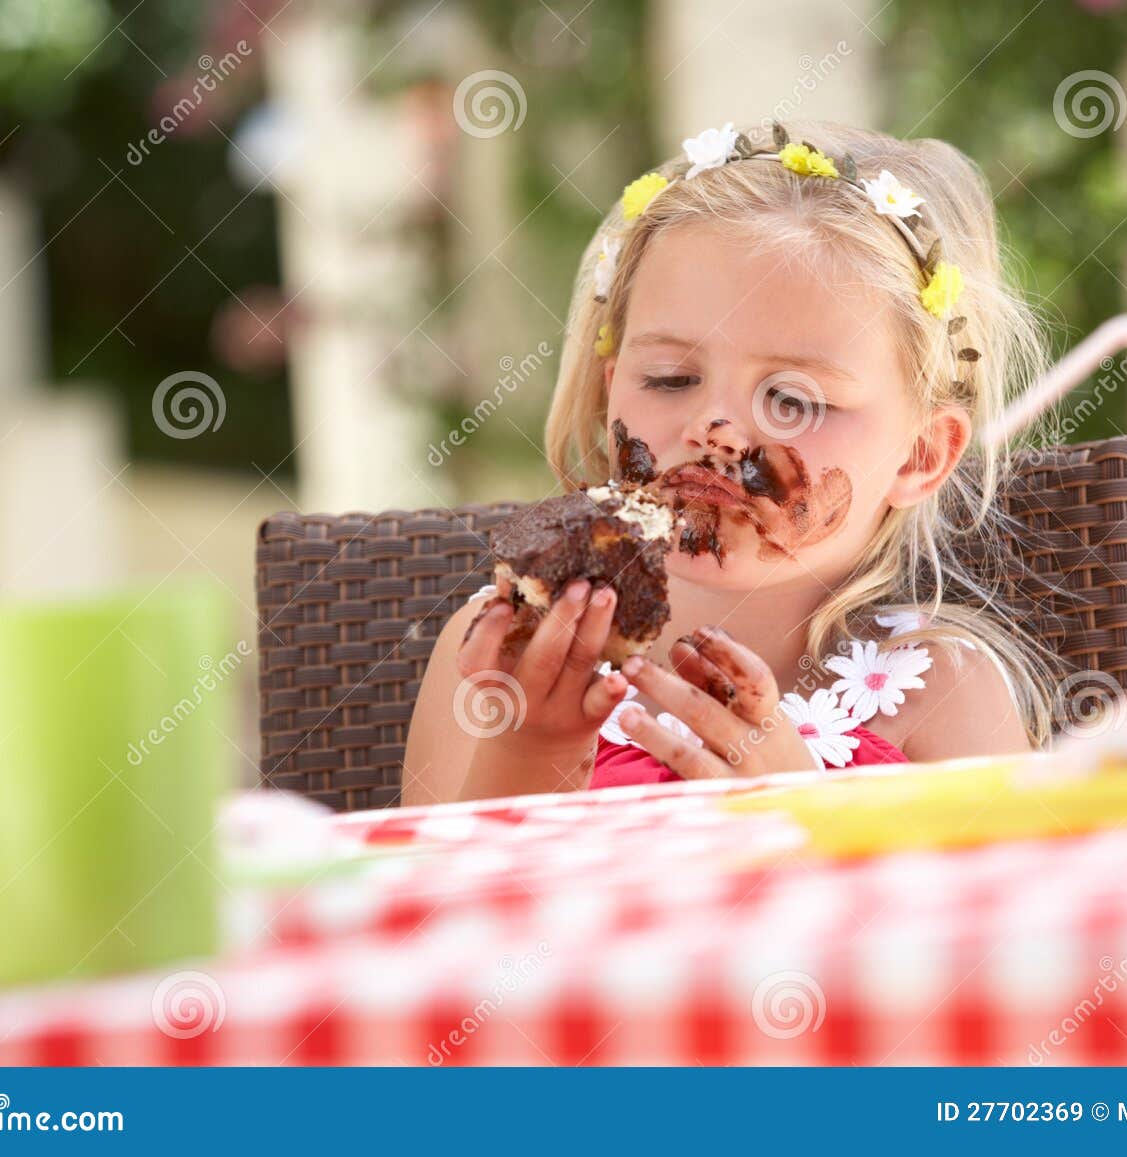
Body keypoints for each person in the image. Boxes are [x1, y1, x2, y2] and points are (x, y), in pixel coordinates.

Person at [404, 119, 1062, 804]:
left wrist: (806, 813)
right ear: (610, 393)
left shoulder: (942, 693)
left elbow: (996, 910)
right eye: (669, 378)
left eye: (792, 397)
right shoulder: (503, 651)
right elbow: (431, 906)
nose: (715, 428)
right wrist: (530, 747)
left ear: (921, 454)